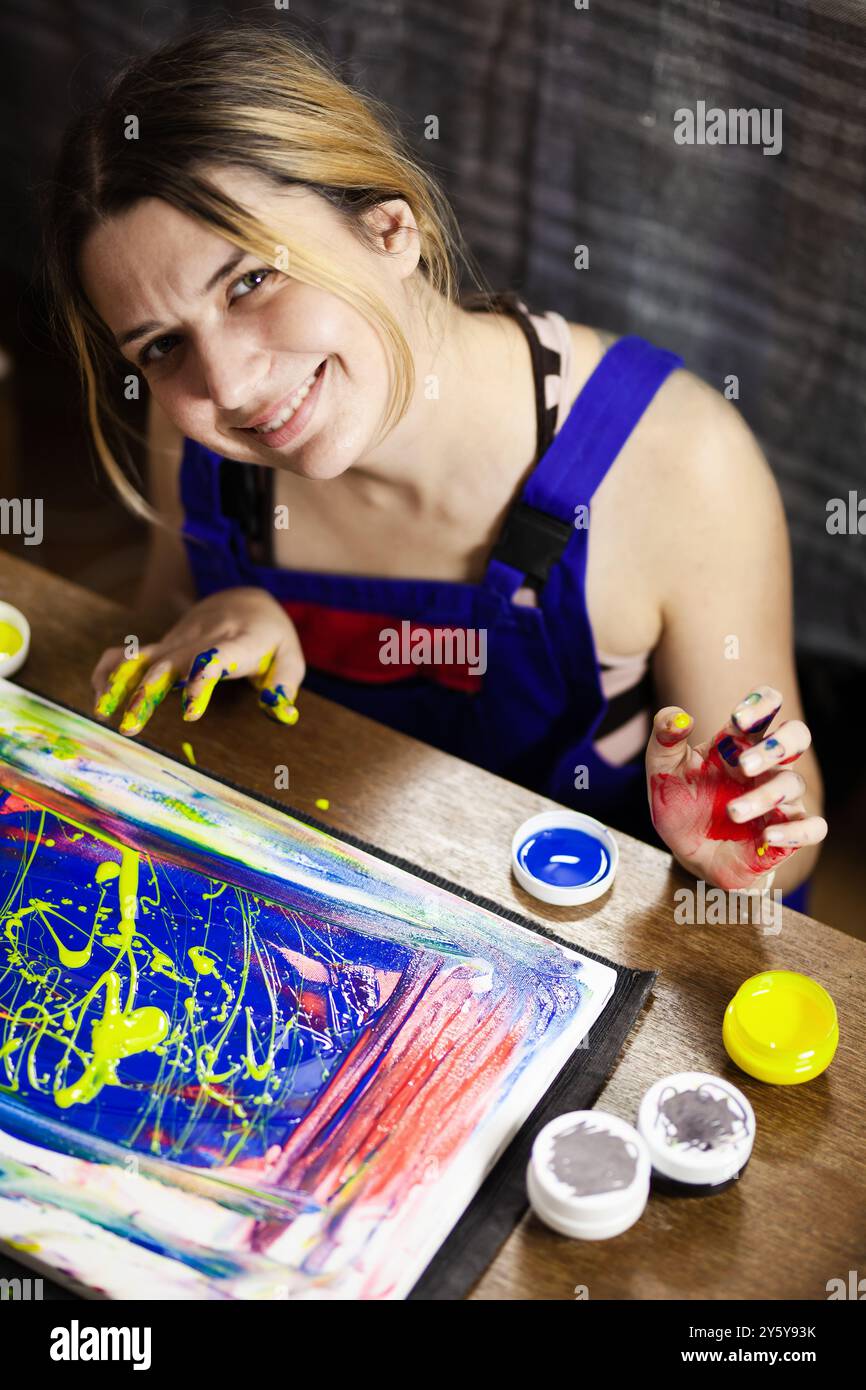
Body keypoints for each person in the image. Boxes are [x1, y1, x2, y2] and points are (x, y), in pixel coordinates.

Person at [43, 24, 826, 909]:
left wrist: (731, 845)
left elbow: (782, 852)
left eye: (251, 282)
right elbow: (152, 654)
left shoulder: (680, 464)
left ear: (388, 229)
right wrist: (214, 623)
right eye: (162, 345)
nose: (228, 382)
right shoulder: (194, 432)